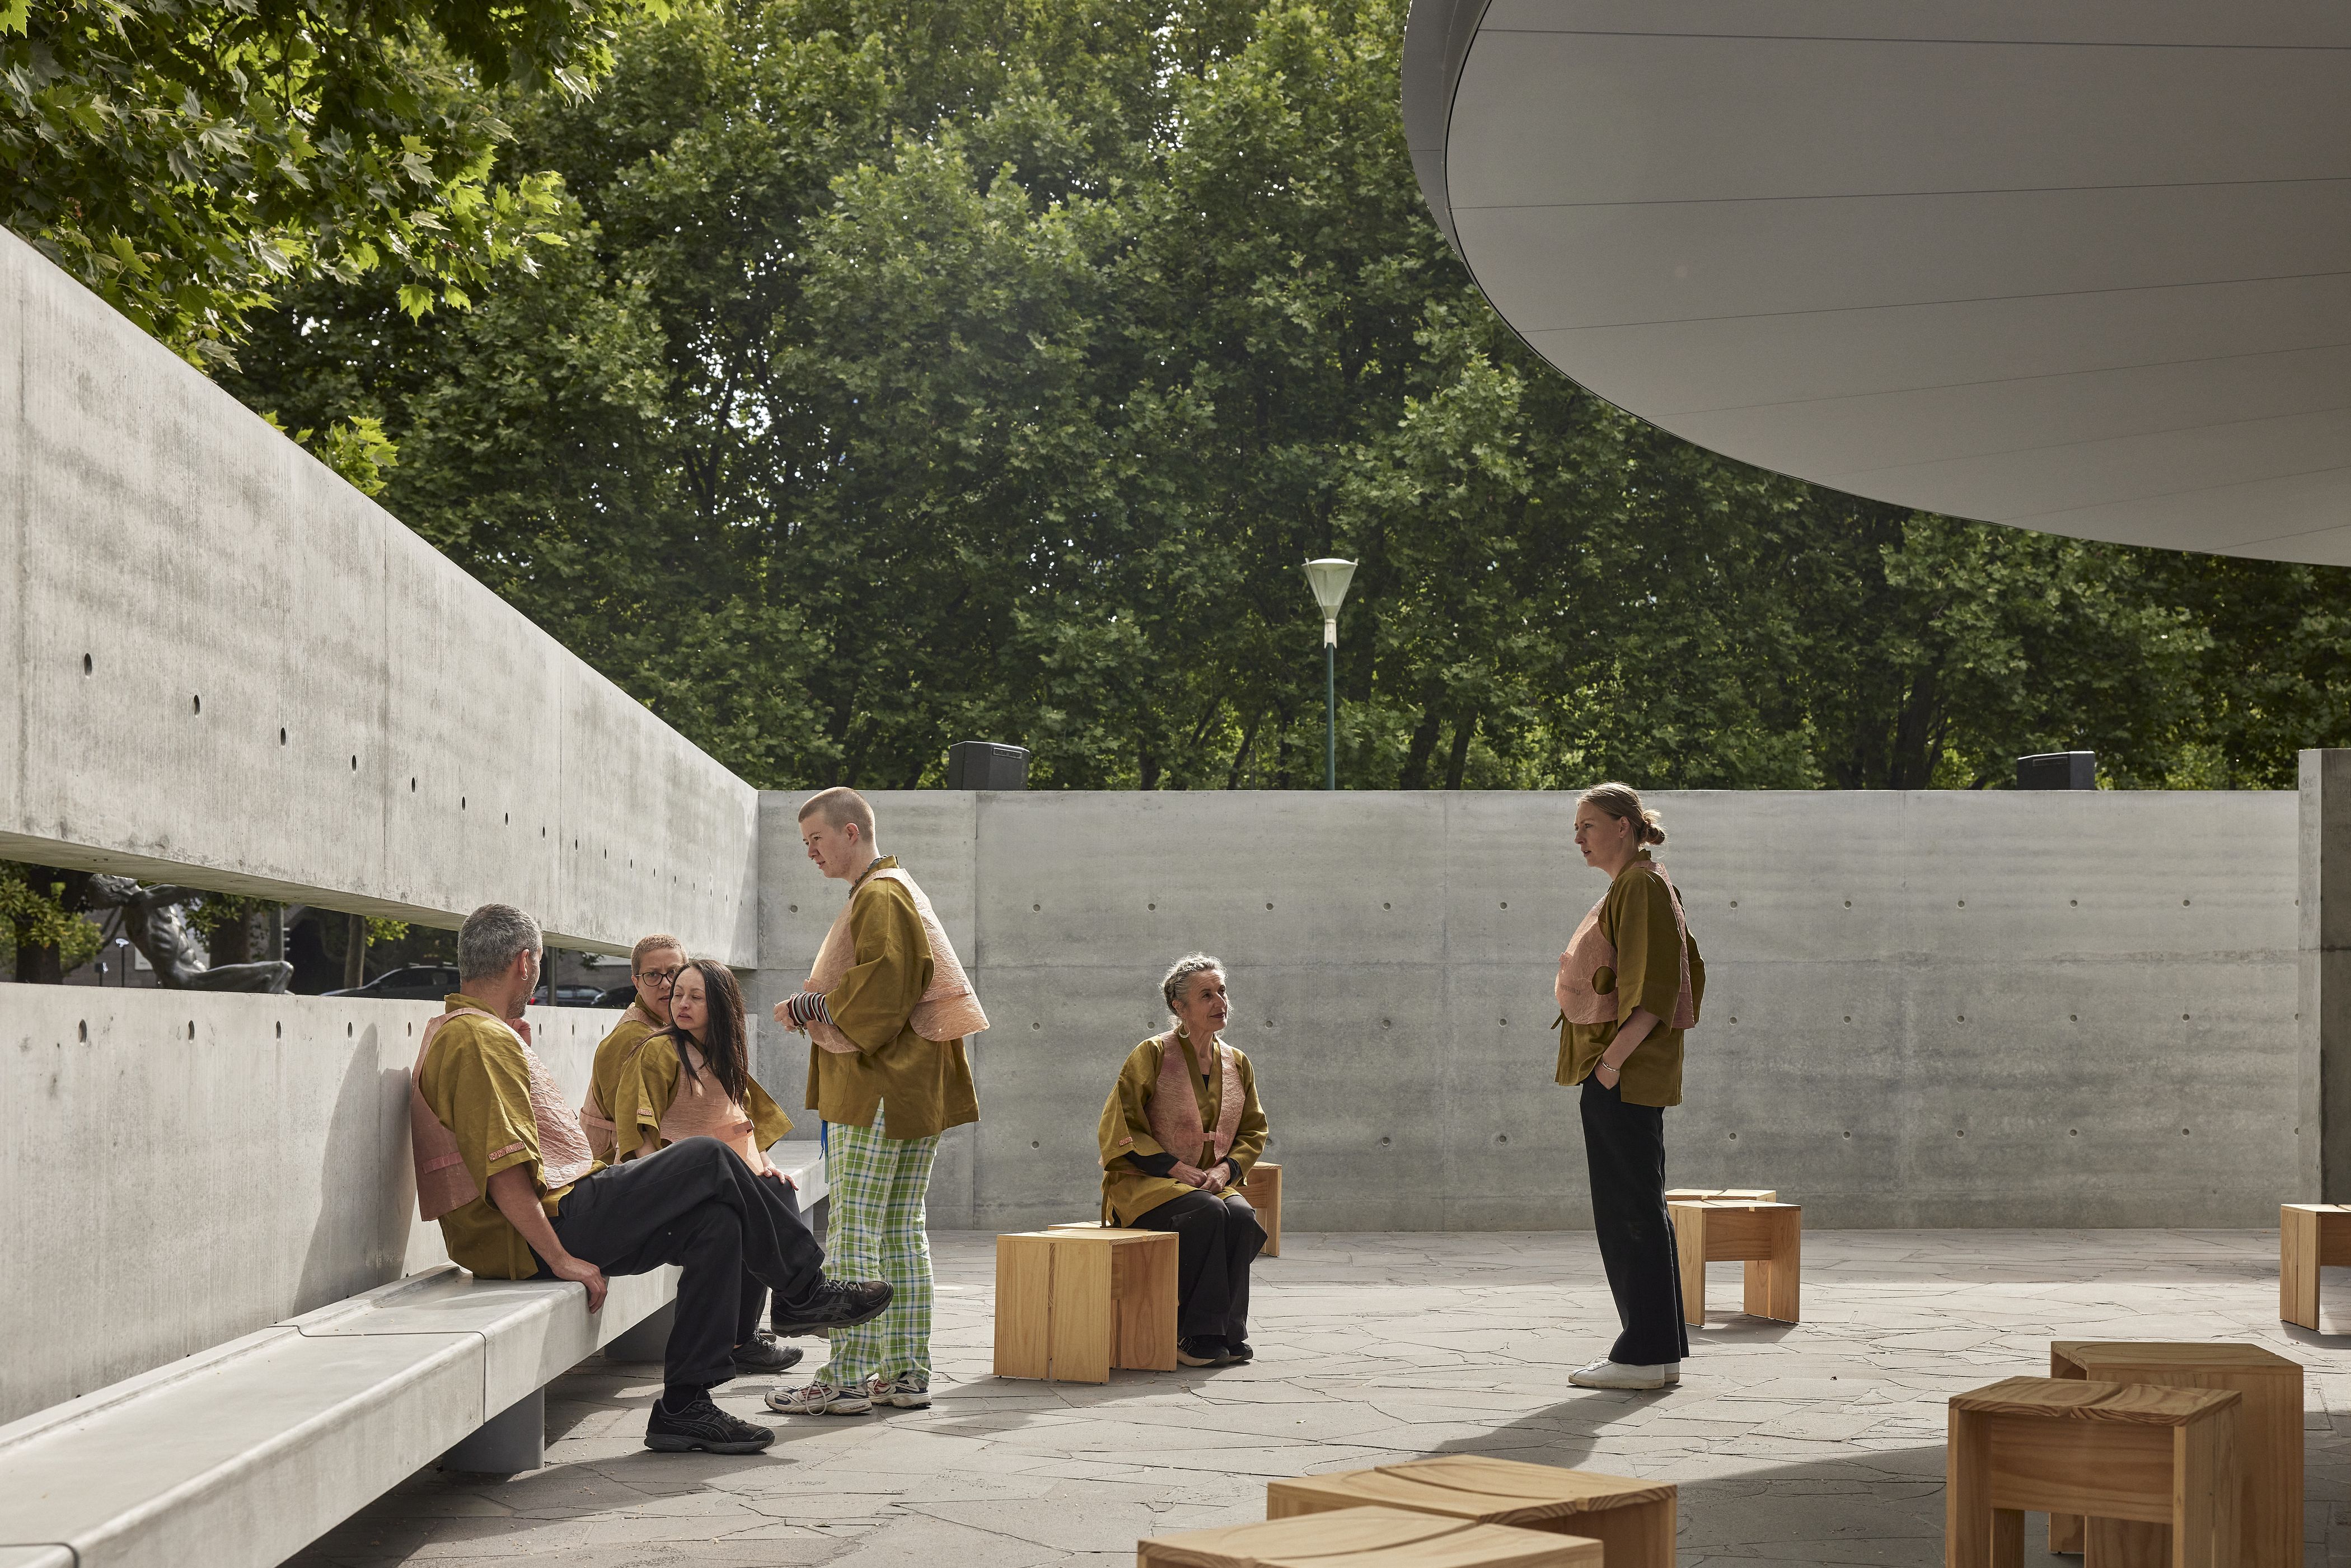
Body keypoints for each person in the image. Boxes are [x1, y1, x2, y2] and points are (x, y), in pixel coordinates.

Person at [410, 902, 893, 1455]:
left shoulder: (474, 1031)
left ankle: (685, 1406)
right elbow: (505, 1173)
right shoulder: (478, 1039)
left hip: (552, 1214)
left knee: (716, 1225)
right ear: (524, 962)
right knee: (708, 1159)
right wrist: (563, 1259)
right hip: (542, 1228)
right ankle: (803, 1289)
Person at [766, 787, 986, 1416]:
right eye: (805, 841)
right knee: (901, 1227)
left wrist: (805, 1006)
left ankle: (846, 1378)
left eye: (817, 838)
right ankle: (905, 1374)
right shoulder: (897, 887)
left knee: (856, 1227)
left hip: (877, 1086)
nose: (810, 852)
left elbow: (884, 990)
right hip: (914, 1086)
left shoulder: (881, 894)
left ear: (853, 832)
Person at [1552, 782, 1704, 1391]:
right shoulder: (1641, 883)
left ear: (1623, 825)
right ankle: (1656, 1350)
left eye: (1588, 824)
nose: (1579, 837)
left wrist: (1609, 1066)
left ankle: (1641, 1354)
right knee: (1641, 1207)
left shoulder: (1639, 885)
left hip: (1622, 1072)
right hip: (1626, 1073)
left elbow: (1653, 990)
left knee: (1628, 1212)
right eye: (1577, 827)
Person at [613, 957, 805, 1379]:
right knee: (740, 1214)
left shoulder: (723, 1056)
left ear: (719, 1005)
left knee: (778, 1190)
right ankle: (770, 1317)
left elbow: (745, 1122)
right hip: (668, 1189)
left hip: (717, 1179)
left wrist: (768, 1165)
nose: (681, 1003)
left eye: (695, 996)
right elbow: (638, 1137)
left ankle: (765, 1323)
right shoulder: (656, 1051)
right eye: (679, 994)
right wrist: (668, 1190)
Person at [1095, 954, 1269, 1368]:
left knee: (1242, 1216)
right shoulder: (1152, 1053)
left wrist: (1226, 1169)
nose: (1219, 1001)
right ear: (1180, 1007)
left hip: (1208, 1182)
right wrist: (1175, 1167)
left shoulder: (1237, 1061)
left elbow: (1253, 1129)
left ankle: (1228, 1329)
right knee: (1208, 1212)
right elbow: (1122, 1125)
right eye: (1206, 994)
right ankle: (1194, 1334)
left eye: (1222, 991)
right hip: (1145, 1182)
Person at [579, 933, 685, 1162]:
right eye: (653, 975)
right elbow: (636, 1127)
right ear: (636, 982)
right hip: (614, 1165)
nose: (666, 984)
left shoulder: (683, 1024)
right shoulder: (632, 1037)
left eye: (674, 973)